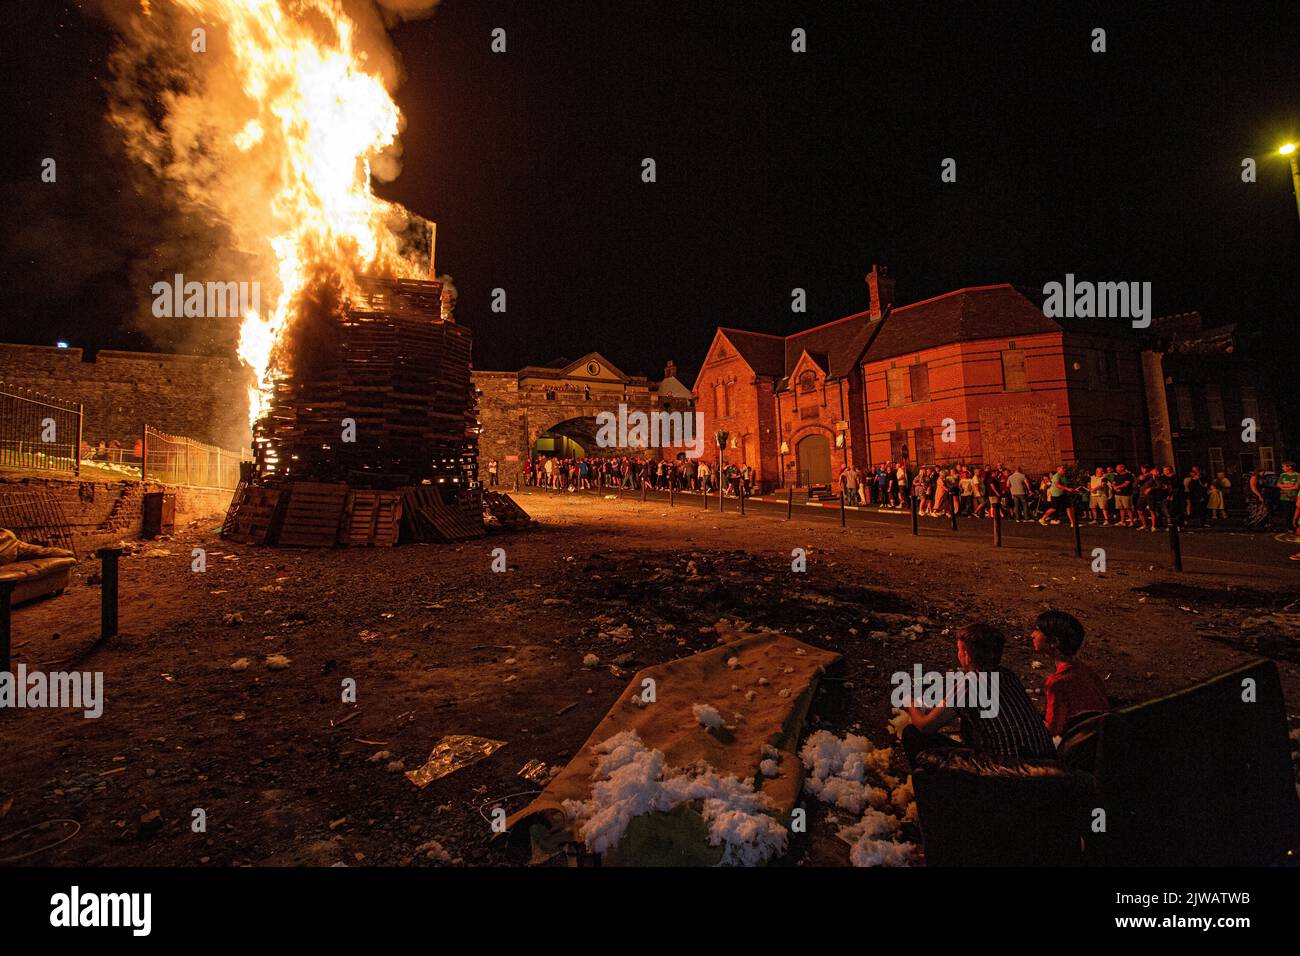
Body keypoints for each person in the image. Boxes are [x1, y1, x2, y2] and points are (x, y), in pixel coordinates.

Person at [901, 623, 1056, 766]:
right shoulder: (1008, 675)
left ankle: (935, 789)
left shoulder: (970, 683)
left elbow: (926, 726)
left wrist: (910, 704)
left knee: (912, 734)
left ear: (967, 655)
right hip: (1044, 762)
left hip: (1006, 772)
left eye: (959, 650)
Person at [1032, 610, 1109, 738]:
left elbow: (1053, 729)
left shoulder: (1057, 682)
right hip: (1097, 736)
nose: (1032, 635)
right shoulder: (1085, 670)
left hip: (1077, 744)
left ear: (1053, 642)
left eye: (1037, 630)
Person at [1278, 462, 1300, 531]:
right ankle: (1288, 527)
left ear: (1289, 467)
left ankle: (1295, 526)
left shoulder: (1297, 475)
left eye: (1284, 466)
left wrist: (1284, 487)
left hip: (1293, 497)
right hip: (1284, 497)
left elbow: (1296, 487)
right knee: (1286, 513)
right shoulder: (1282, 475)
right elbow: (1278, 485)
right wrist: (1290, 485)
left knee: (1294, 512)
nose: (1282, 468)